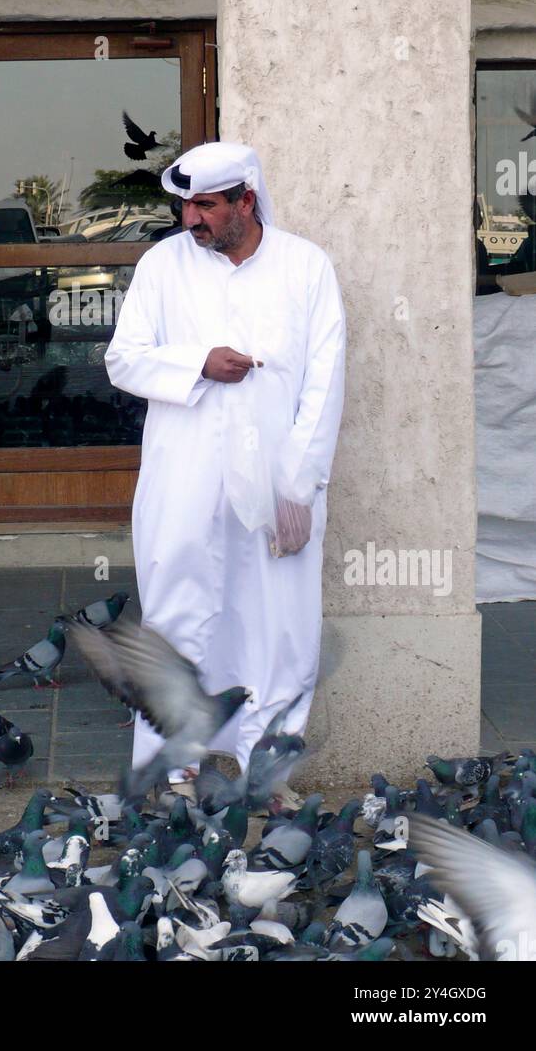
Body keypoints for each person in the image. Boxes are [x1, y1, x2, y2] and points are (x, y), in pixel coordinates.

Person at [104, 140, 346, 787]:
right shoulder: (163, 266)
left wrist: (299, 486)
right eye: (185, 206)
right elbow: (123, 361)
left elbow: (324, 387)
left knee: (281, 630)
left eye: (206, 206)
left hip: (278, 481)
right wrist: (197, 363)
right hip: (185, 478)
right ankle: (171, 769)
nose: (191, 220)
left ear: (246, 199)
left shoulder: (305, 268)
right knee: (179, 616)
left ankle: (265, 774)